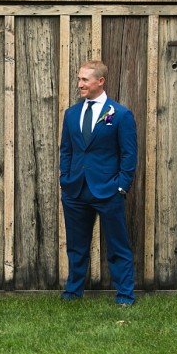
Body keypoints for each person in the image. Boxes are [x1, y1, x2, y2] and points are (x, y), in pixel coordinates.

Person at [59, 60, 138, 306]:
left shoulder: (120, 114)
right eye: (79, 78)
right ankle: (73, 292)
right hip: (75, 190)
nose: (79, 84)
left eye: (85, 80)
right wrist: (65, 178)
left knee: (117, 246)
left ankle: (125, 295)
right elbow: (67, 150)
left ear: (100, 81)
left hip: (108, 190)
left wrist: (121, 186)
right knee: (76, 246)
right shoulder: (71, 114)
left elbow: (129, 154)